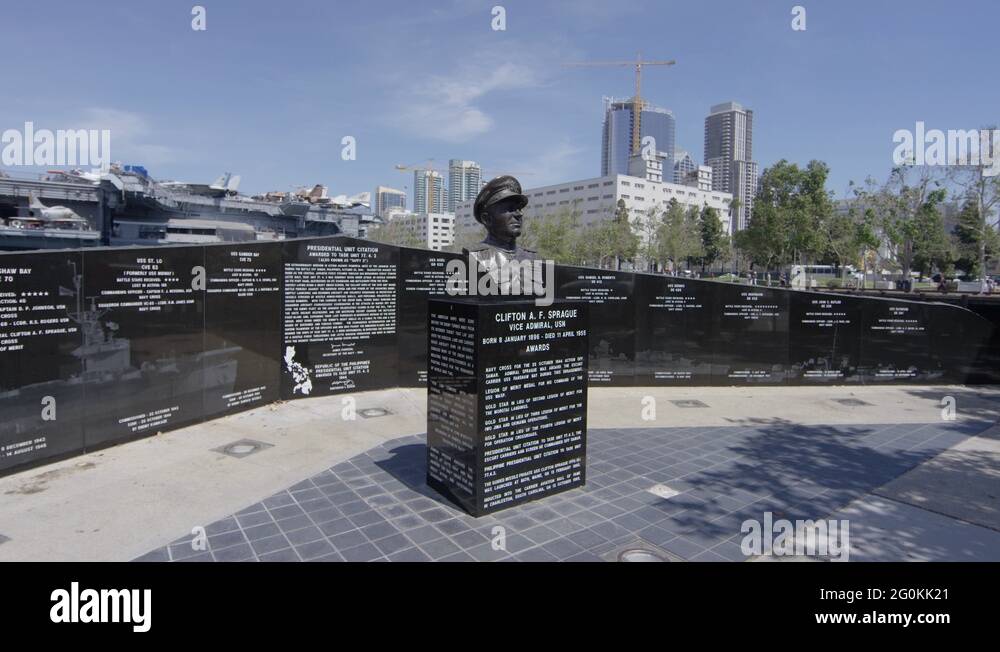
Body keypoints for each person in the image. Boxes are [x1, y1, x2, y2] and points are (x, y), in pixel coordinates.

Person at [463, 175, 537, 294]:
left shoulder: (532, 257)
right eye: (510, 209)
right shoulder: (477, 255)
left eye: (519, 209)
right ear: (487, 219)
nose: (519, 214)